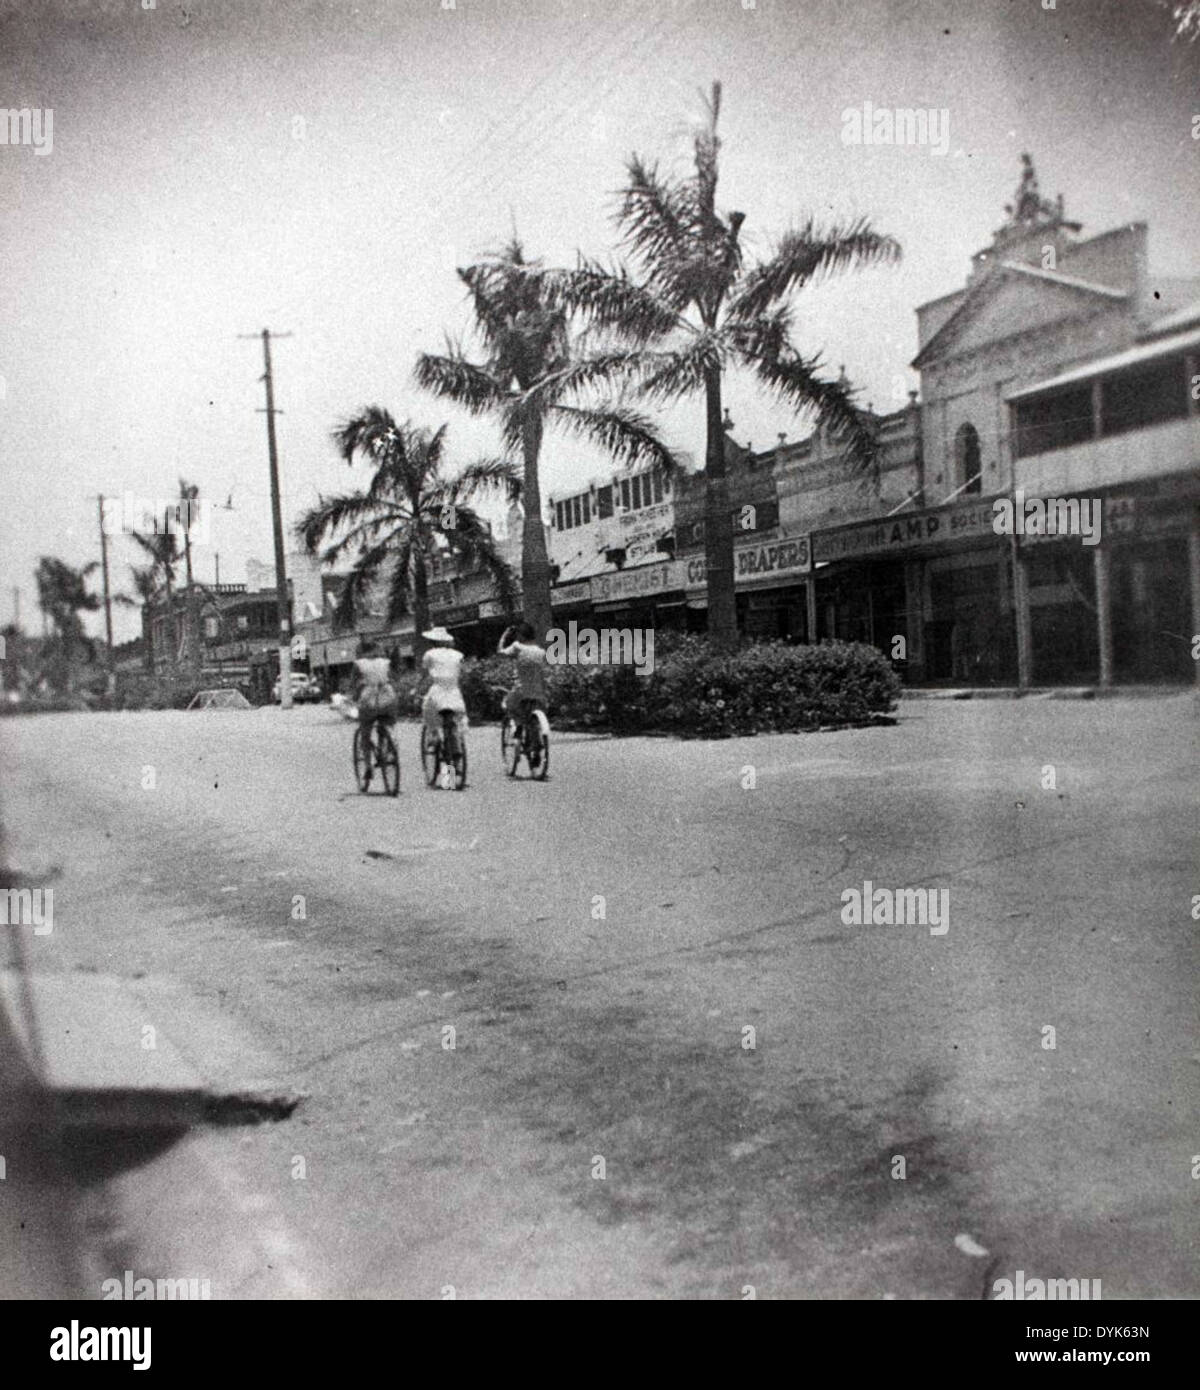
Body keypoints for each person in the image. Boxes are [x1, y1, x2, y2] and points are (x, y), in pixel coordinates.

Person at [498, 621, 548, 734]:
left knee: (506, 705)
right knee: (534, 712)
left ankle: (518, 725)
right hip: (538, 692)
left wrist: (505, 635)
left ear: (520, 635)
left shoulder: (517, 646)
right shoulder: (541, 651)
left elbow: (500, 652)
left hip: (521, 690)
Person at [421, 627, 467, 745]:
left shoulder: (429, 654)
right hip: (454, 692)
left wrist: (417, 689)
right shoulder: (458, 655)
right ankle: (457, 745)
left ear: (433, 642)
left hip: (437, 691)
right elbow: (462, 673)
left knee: (427, 710)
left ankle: (434, 735)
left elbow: (425, 675)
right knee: (458, 718)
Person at [353, 641, 397, 729]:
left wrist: (355, 695)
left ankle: (366, 741)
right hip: (387, 698)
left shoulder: (359, 663)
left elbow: (354, 681)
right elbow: (393, 678)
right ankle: (390, 738)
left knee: (365, 727)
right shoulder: (386, 662)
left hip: (369, 702)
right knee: (388, 721)